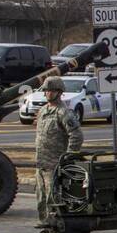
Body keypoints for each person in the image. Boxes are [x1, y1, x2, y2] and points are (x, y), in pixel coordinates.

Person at [34, 76, 83, 223]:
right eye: (46, 90)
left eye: (51, 90)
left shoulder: (64, 113)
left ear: (59, 92)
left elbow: (76, 136)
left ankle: (57, 231)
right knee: (41, 199)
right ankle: (45, 229)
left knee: (53, 200)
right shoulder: (43, 111)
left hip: (55, 166)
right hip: (41, 165)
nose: (48, 93)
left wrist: (68, 157)